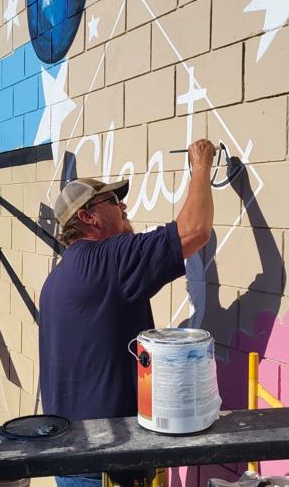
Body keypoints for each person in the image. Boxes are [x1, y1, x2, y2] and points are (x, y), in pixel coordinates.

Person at [39, 139, 216, 487]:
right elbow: (195, 231)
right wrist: (201, 167)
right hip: (107, 466)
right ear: (88, 216)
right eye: (113, 201)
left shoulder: (59, 277)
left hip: (71, 461)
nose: (124, 206)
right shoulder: (108, 260)